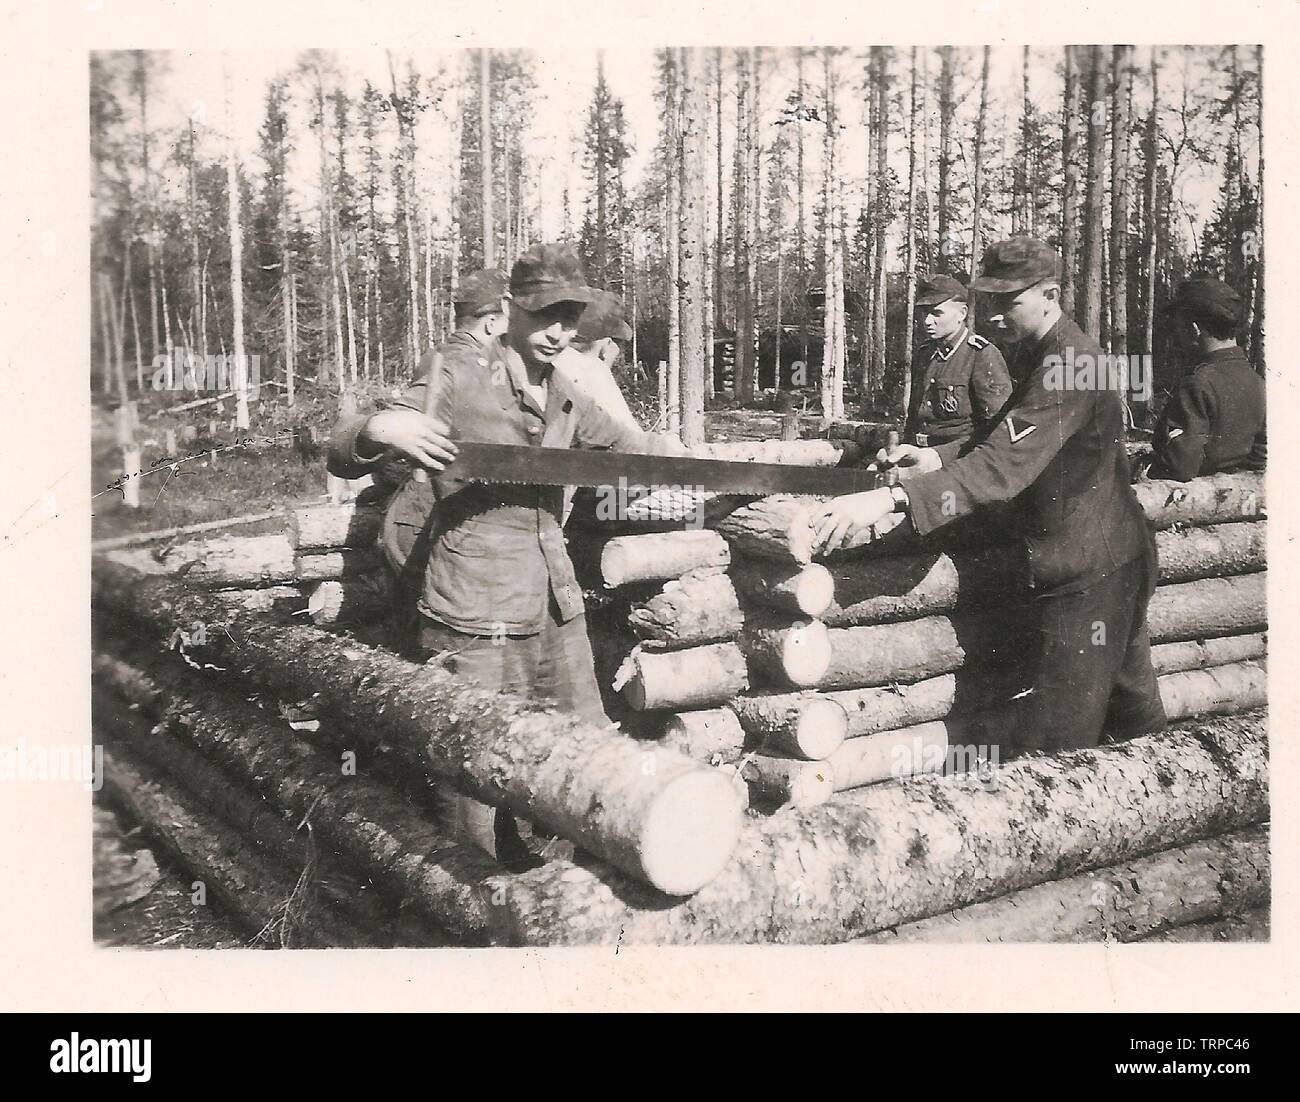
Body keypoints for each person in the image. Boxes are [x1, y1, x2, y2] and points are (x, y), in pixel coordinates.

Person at [328, 243, 684, 862]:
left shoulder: (569, 392)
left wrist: (687, 459)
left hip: (556, 607)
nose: (557, 332)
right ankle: (468, 909)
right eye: (544, 315)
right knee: (472, 775)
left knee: (582, 754)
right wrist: (377, 429)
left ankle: (558, 895)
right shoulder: (457, 371)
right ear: (510, 309)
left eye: (570, 319)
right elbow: (355, 439)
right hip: (475, 610)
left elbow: (630, 449)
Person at [810, 237, 1166, 753]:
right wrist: (936, 458)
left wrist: (893, 499)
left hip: (1090, 570)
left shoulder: (1071, 363)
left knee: (1059, 739)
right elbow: (1000, 434)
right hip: (1108, 556)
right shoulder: (1036, 351)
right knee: (1132, 712)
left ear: (1050, 293)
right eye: (989, 301)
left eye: (1009, 300)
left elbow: (1005, 465)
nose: (995, 313)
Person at [1146, 277, 1266, 482]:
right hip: (1239, 502)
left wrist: (1143, 469)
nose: (1177, 336)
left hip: (1190, 505)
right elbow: (1260, 458)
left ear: (1193, 330)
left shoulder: (1197, 384)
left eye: (1179, 328)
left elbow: (1178, 468)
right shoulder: (1258, 382)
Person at [906, 273, 1014, 447]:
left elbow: (996, 428)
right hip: (918, 454)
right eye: (925, 313)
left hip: (958, 460)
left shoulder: (981, 355)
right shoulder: (925, 353)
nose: (927, 321)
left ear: (961, 314)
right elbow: (914, 418)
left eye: (936, 313)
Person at [552, 288, 640, 428]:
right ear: (608, 342)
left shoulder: (552, 361)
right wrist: (604, 368)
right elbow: (629, 432)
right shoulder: (595, 371)